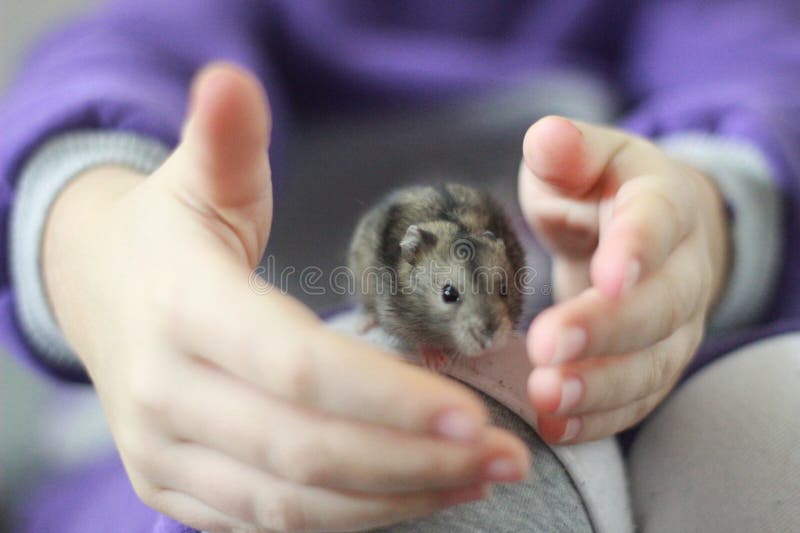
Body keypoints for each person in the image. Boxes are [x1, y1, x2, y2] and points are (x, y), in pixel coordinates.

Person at [1, 1, 798, 531]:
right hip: (184, 436)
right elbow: (108, 58)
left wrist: (705, 216)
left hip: (630, 381)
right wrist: (96, 252)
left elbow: (762, 71)